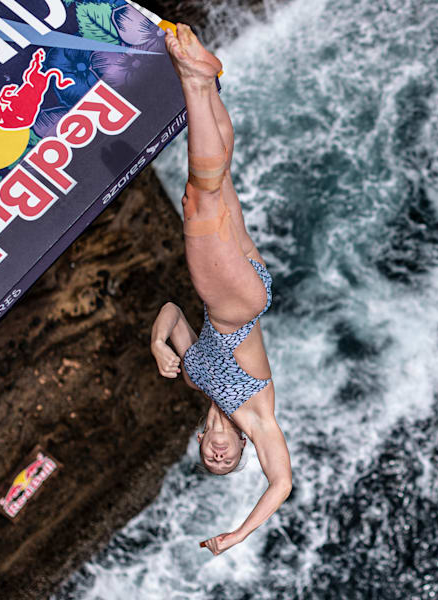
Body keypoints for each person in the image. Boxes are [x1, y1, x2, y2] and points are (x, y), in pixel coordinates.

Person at [148, 23, 291, 557]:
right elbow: (281, 484)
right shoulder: (256, 418)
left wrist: (158, 344)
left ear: (202, 441)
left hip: (243, 286)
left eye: (212, 459)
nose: (220, 457)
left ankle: (207, 86)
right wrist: (238, 533)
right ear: (242, 446)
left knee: (218, 179)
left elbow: (171, 312)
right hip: (236, 305)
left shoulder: (196, 379)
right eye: (229, 461)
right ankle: (193, 80)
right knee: (200, 199)